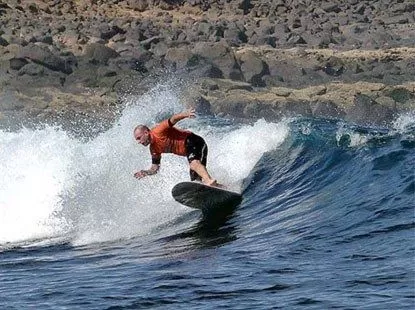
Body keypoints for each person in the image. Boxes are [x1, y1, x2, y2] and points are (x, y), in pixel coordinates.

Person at [133, 109, 219, 187]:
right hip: (190, 149)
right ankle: (223, 189)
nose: (139, 142)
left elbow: (172, 119)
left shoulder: (158, 131)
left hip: (193, 141)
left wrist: (185, 114)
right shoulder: (154, 149)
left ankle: (209, 180)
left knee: (194, 164)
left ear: (146, 132)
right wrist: (146, 172)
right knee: (196, 182)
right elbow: (155, 168)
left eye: (139, 138)